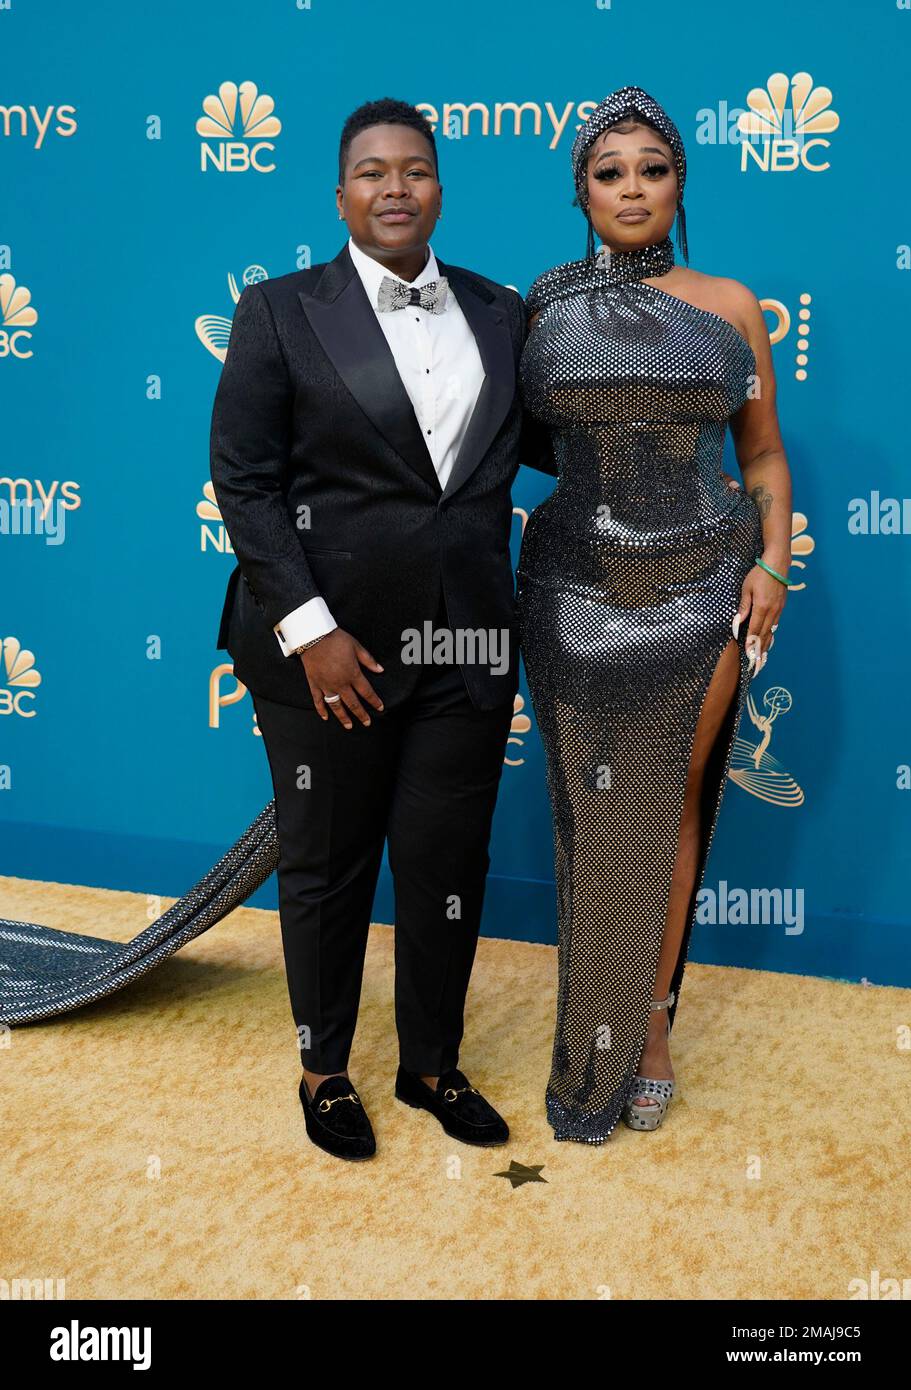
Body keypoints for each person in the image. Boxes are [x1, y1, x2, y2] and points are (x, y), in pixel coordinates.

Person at [209, 97, 559, 1160]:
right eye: (371, 172)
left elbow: (553, 446)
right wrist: (309, 630)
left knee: (447, 857)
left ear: (440, 187)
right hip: (332, 650)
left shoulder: (502, 311)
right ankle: (324, 1072)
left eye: (414, 169)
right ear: (339, 194)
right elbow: (244, 479)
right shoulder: (280, 311)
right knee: (327, 863)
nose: (394, 187)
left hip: (463, 643)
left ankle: (430, 1065)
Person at [515, 87, 793, 1144]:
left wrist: (768, 566)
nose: (631, 188)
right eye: (608, 170)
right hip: (573, 589)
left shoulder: (726, 302)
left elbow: (760, 453)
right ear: (579, 189)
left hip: (703, 586)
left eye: (652, 168)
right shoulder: (541, 303)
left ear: (680, 182)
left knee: (669, 796)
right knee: (593, 809)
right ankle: (592, 1028)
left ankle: (652, 1022)